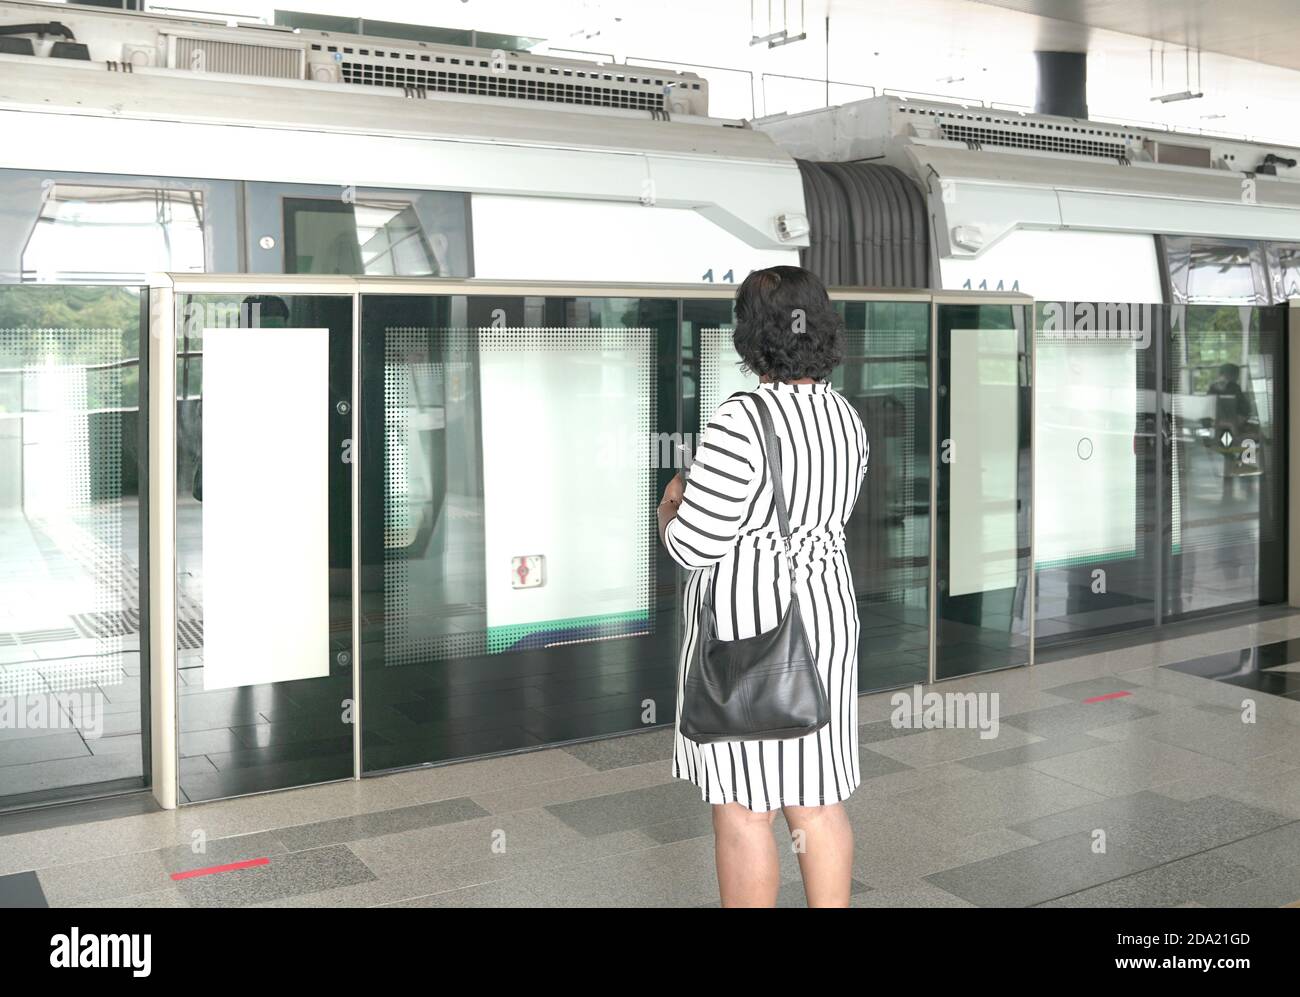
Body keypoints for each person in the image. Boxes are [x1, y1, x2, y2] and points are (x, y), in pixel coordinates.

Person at [657, 265, 869, 908]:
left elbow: (694, 543)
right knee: (818, 800)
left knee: (746, 808)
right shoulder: (844, 417)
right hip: (826, 621)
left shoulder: (739, 420)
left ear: (750, 336)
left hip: (753, 630)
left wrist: (669, 505)